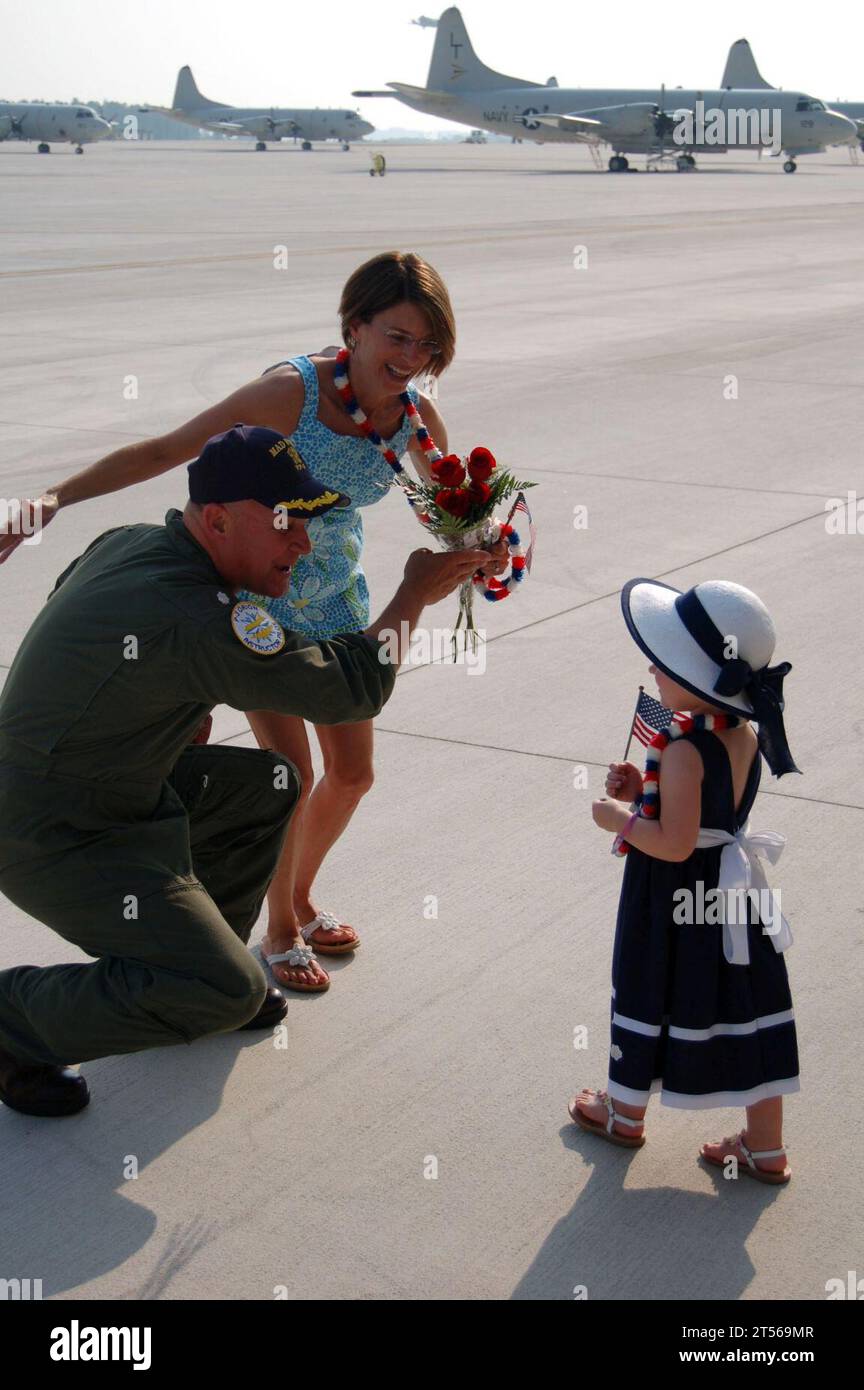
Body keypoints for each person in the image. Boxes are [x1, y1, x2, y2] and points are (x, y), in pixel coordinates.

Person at [0, 250, 508, 994]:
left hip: (334, 593)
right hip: (259, 597)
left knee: (355, 774)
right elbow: (167, 449)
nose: (414, 358)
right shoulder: (288, 396)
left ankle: (297, 890)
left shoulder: (415, 420)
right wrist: (49, 500)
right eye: (399, 337)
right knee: (292, 774)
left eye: (430, 344)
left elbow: (454, 512)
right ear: (355, 326)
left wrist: (484, 549)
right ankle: (280, 928)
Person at [0, 425, 490, 1117]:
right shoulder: (198, 616)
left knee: (273, 784)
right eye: (286, 523)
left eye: (310, 520)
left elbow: (69, 601)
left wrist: (168, 701)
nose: (303, 542)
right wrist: (414, 594)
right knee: (225, 992)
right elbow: (348, 689)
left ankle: (203, 960)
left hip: (104, 787)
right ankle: (19, 1024)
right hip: (55, 834)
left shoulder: (133, 542)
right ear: (220, 519)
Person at [572, 578, 800, 1185]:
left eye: (664, 662)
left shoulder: (682, 752)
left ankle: (623, 1115)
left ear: (700, 679)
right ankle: (765, 1147)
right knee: (748, 1006)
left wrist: (619, 819)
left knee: (648, 988)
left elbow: (672, 843)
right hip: (732, 899)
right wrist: (640, 790)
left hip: (670, 897)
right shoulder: (743, 734)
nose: (652, 667)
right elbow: (707, 813)